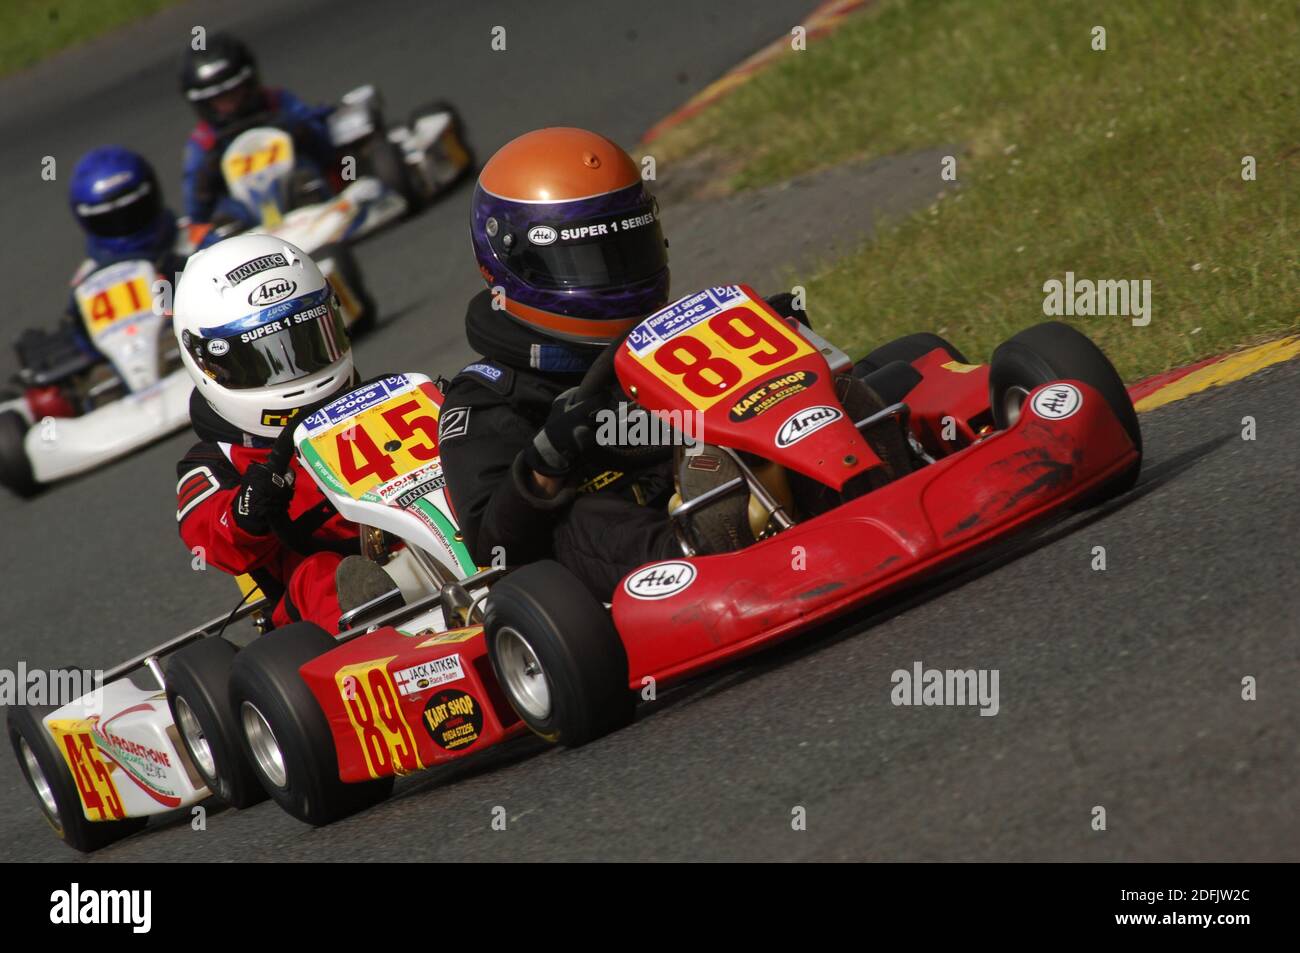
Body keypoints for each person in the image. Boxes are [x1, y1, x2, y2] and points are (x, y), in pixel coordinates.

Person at [171, 233, 389, 632]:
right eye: (265, 359)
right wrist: (247, 510)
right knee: (323, 572)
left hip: (431, 545)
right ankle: (372, 637)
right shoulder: (216, 460)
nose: (298, 372)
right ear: (208, 363)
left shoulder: (386, 401)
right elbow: (211, 540)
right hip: (319, 609)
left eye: (307, 343)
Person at [179, 32, 337, 239]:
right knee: (225, 221)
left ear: (249, 84)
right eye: (220, 99)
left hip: (294, 176)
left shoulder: (277, 102)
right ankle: (245, 251)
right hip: (244, 208)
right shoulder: (203, 141)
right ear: (204, 104)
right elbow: (196, 212)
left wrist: (300, 130)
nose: (230, 104)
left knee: (306, 179)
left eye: (234, 93)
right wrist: (206, 181)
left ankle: (318, 215)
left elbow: (325, 144)